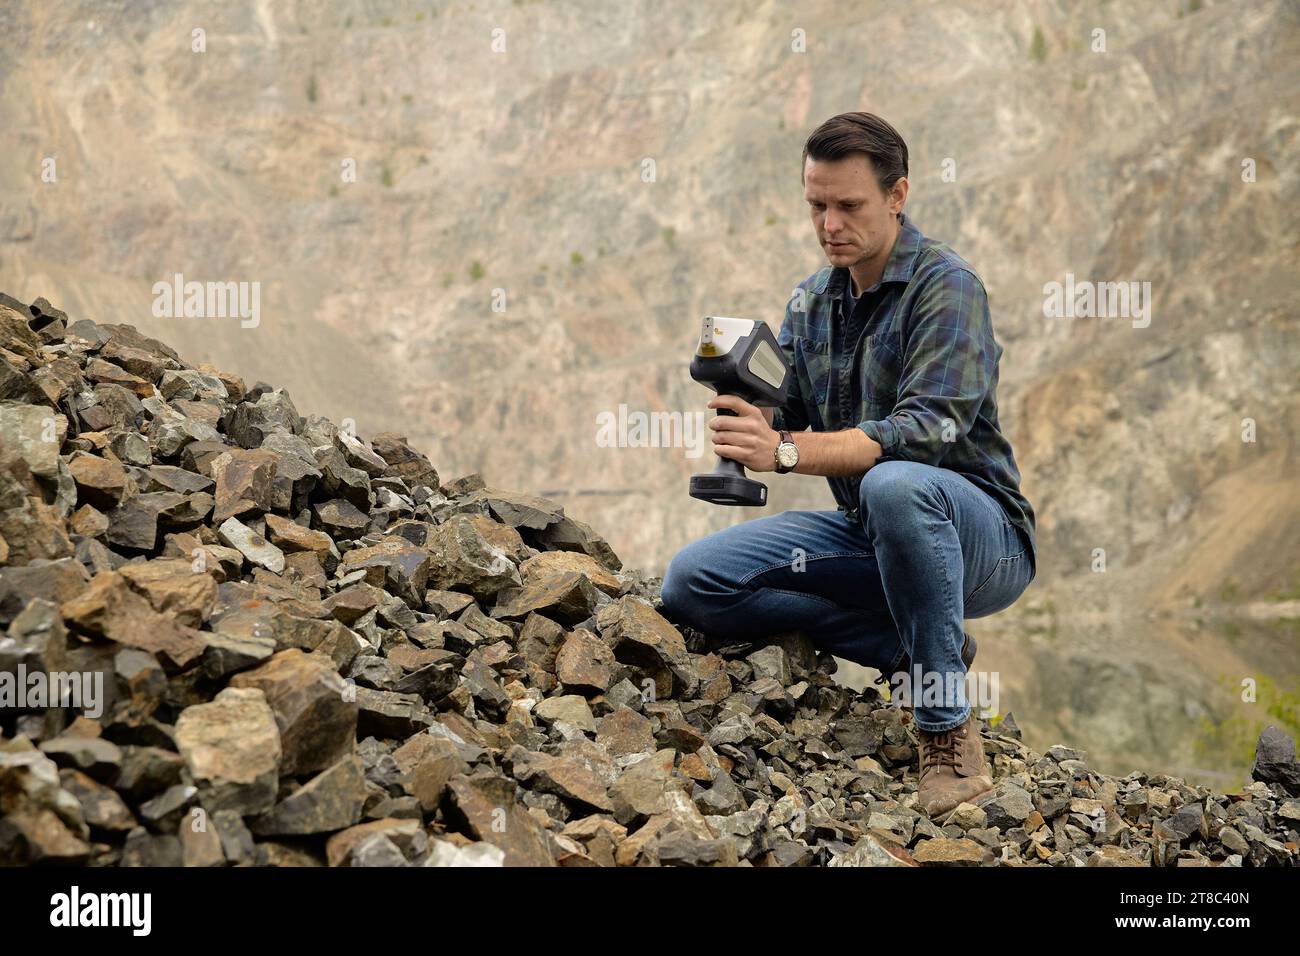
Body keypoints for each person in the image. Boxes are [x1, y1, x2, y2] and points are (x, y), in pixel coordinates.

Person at [660, 112, 1036, 817]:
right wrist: (752, 417)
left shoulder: (947, 288)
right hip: (874, 532)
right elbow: (791, 415)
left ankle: (945, 728)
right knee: (693, 582)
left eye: (849, 205)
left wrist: (786, 450)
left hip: (980, 540)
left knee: (895, 482)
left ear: (898, 196)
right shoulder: (812, 301)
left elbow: (922, 431)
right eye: (816, 205)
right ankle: (907, 644)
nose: (830, 223)